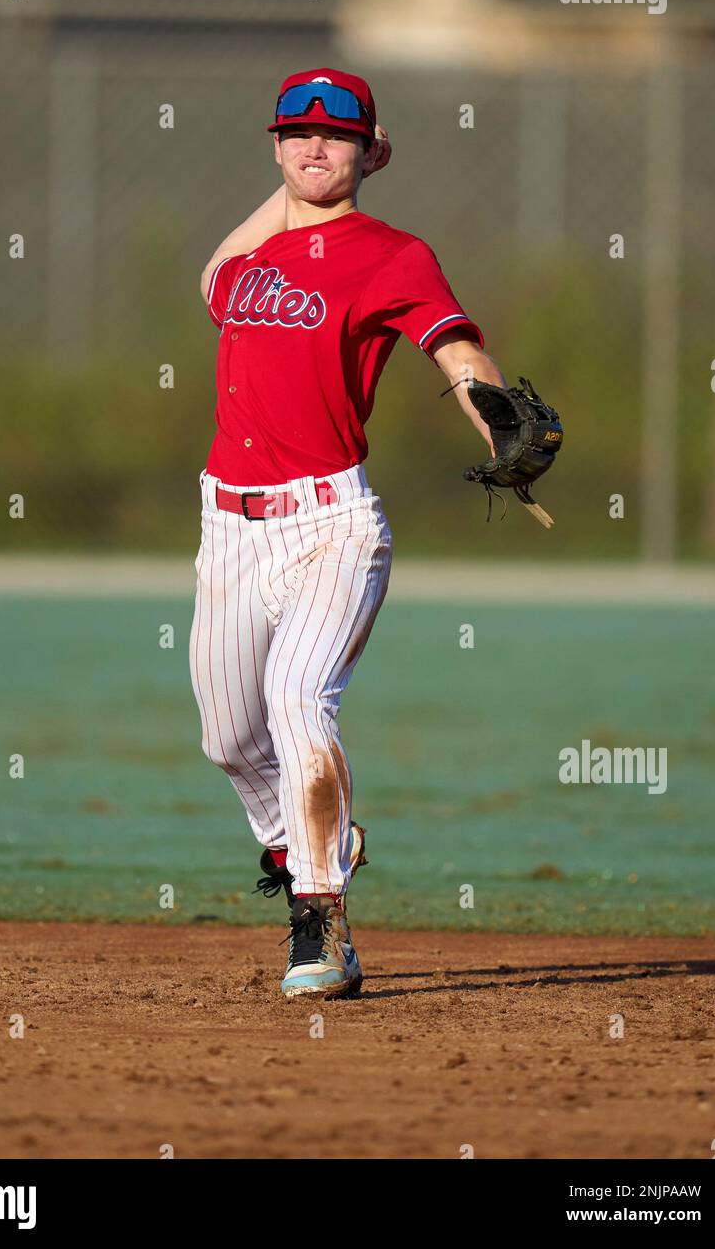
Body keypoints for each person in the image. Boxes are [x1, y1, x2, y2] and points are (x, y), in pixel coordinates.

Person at [190, 68, 506, 998]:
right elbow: (210, 278)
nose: (315, 146)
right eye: (297, 133)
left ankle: (319, 925)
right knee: (227, 738)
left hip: (329, 524)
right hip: (228, 528)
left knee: (298, 703)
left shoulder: (393, 254)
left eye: (337, 135)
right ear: (275, 144)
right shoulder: (250, 263)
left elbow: (453, 345)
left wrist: (496, 415)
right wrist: (292, 190)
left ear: (373, 151)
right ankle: (309, 839)